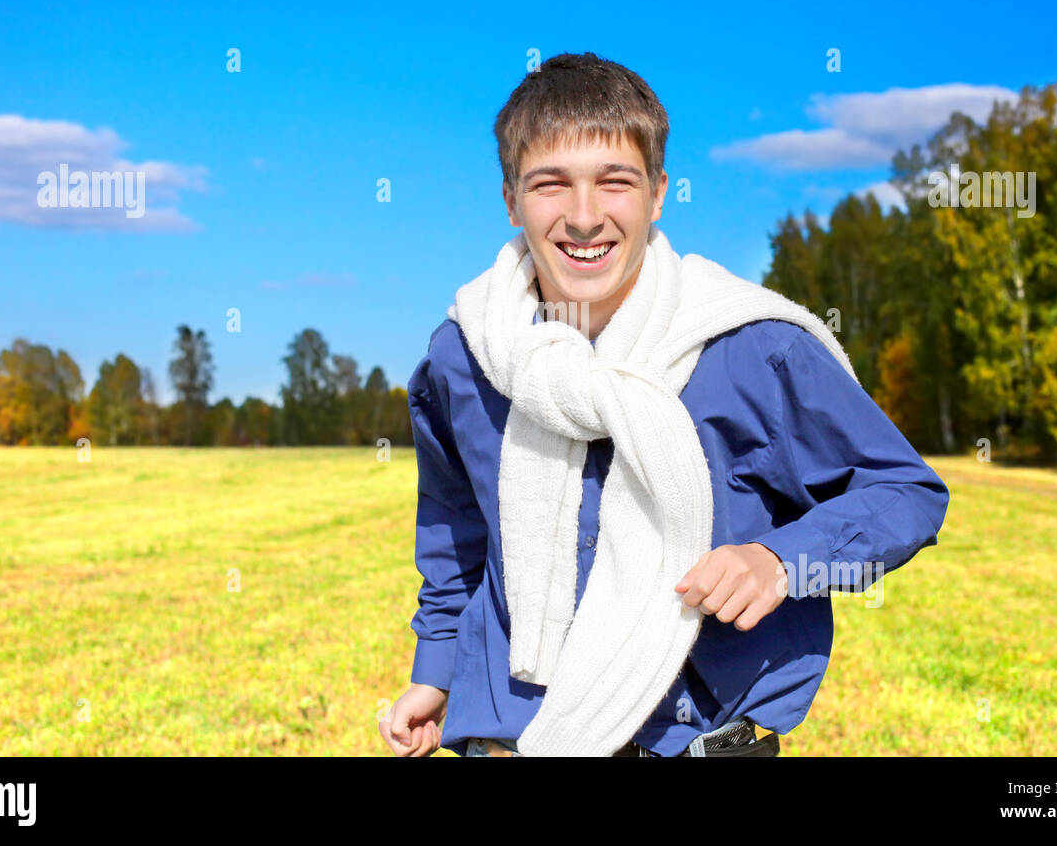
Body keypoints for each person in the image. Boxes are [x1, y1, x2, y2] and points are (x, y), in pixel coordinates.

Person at [379, 52, 949, 758]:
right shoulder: (464, 355)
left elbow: (907, 492)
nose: (583, 218)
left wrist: (782, 560)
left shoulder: (751, 346)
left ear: (657, 193)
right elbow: (456, 529)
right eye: (550, 184)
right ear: (509, 199)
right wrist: (434, 674)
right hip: (509, 742)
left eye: (613, 183)